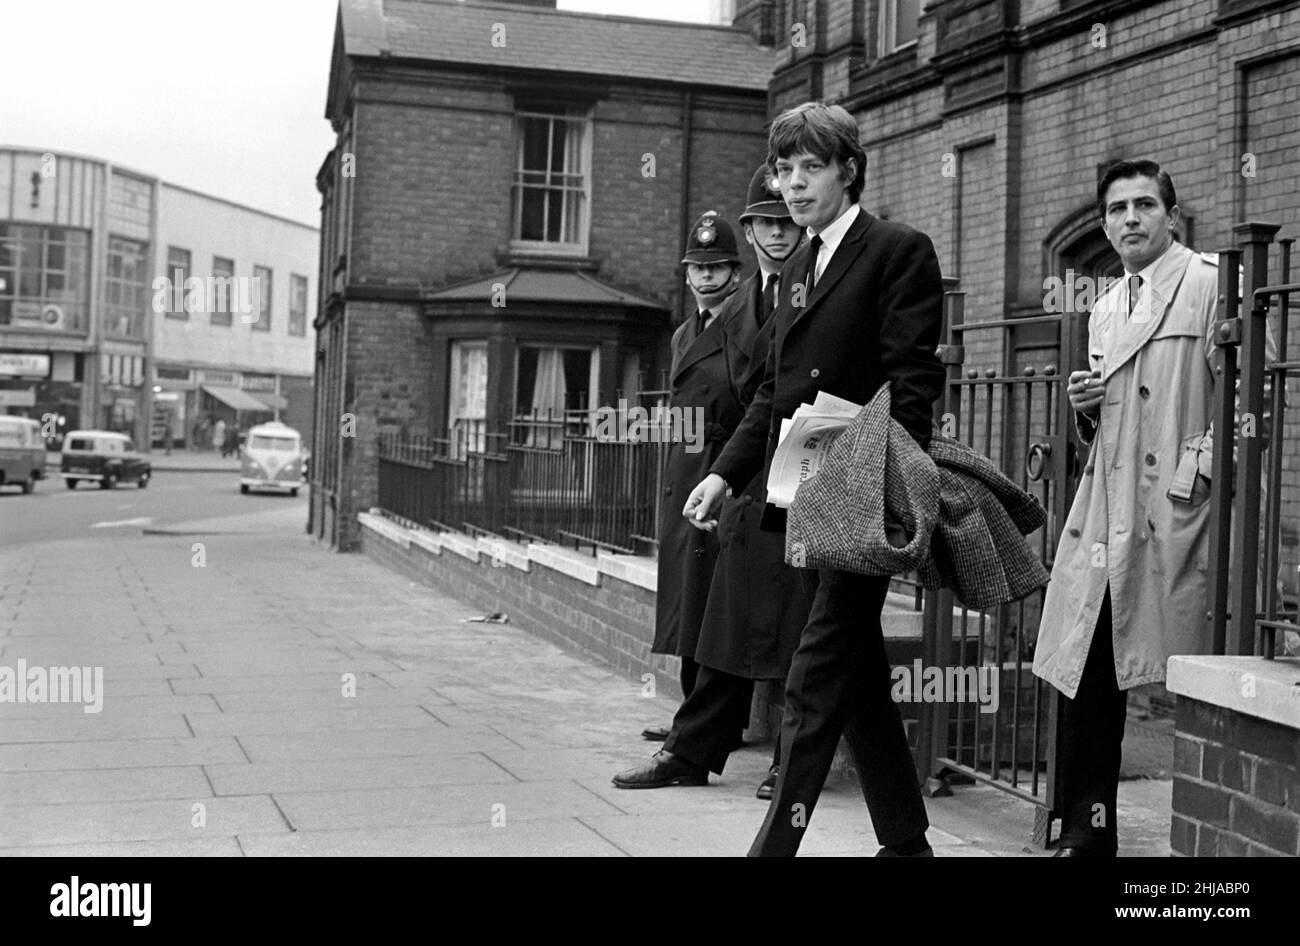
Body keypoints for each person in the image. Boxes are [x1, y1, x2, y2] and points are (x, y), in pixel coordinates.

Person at [683, 102, 946, 857]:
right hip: (799, 494)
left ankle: (773, 850)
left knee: (814, 668)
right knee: (855, 673)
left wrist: (887, 496)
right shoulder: (796, 264)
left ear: (847, 171)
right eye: (783, 169)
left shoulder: (896, 249)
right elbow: (773, 390)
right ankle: (906, 843)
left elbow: (914, 384)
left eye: (809, 168)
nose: (792, 185)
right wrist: (726, 477)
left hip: (859, 496)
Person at [1032, 159, 1241, 856]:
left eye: (1145, 205)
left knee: (1187, 678)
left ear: (1171, 215)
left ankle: (1213, 838)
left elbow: (1247, 406)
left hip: (1175, 513)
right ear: (1103, 223)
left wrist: (1194, 478)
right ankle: (1086, 829)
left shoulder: (1211, 283)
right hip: (1109, 512)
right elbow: (1110, 431)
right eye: (1117, 208)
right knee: (1082, 661)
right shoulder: (1106, 304)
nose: (1130, 219)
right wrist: (1086, 412)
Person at [614, 167, 813, 798]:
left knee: (802, 627)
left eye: (787, 221)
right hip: (747, 480)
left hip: (807, 475)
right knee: (729, 622)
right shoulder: (754, 296)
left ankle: (790, 758)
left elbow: (790, 391)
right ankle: (694, 749)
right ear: (751, 229)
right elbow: (760, 396)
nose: (777, 234)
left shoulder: (814, 284)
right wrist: (727, 477)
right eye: (765, 223)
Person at [642, 211, 750, 740]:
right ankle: (693, 718)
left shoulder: (743, 323)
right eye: (698, 268)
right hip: (686, 470)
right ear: (687, 274)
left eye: (718, 267)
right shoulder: (686, 331)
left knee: (714, 603)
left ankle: (715, 726)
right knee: (689, 599)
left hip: (719, 467)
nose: (706, 277)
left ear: (736, 271)